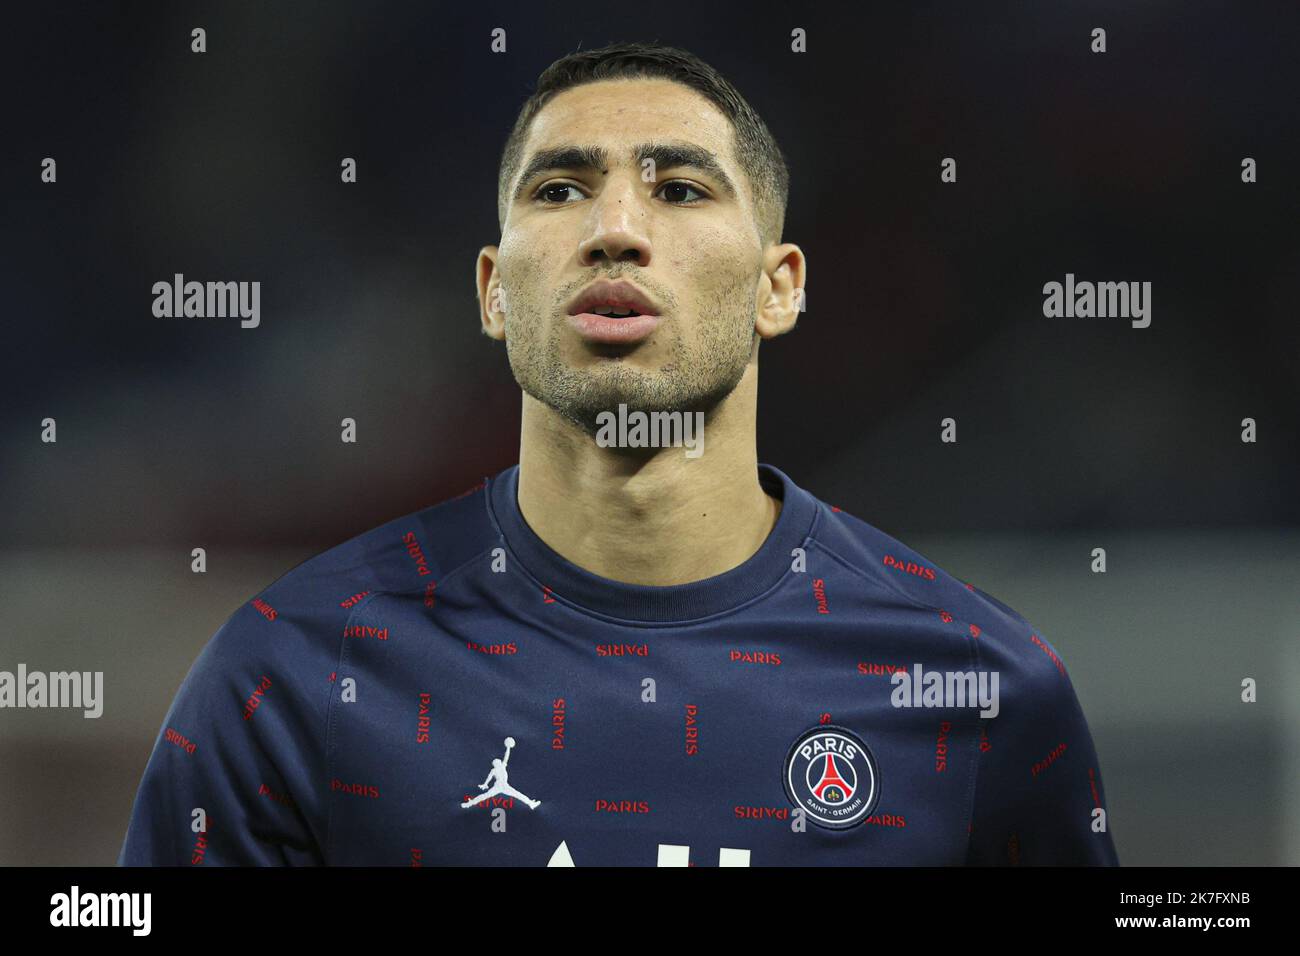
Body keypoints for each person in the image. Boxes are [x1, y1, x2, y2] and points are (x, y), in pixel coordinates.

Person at [118, 41, 1119, 866]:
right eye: (560, 189)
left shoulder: (977, 683)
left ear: (780, 286)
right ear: (492, 290)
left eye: (680, 187)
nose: (615, 229)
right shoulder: (291, 673)